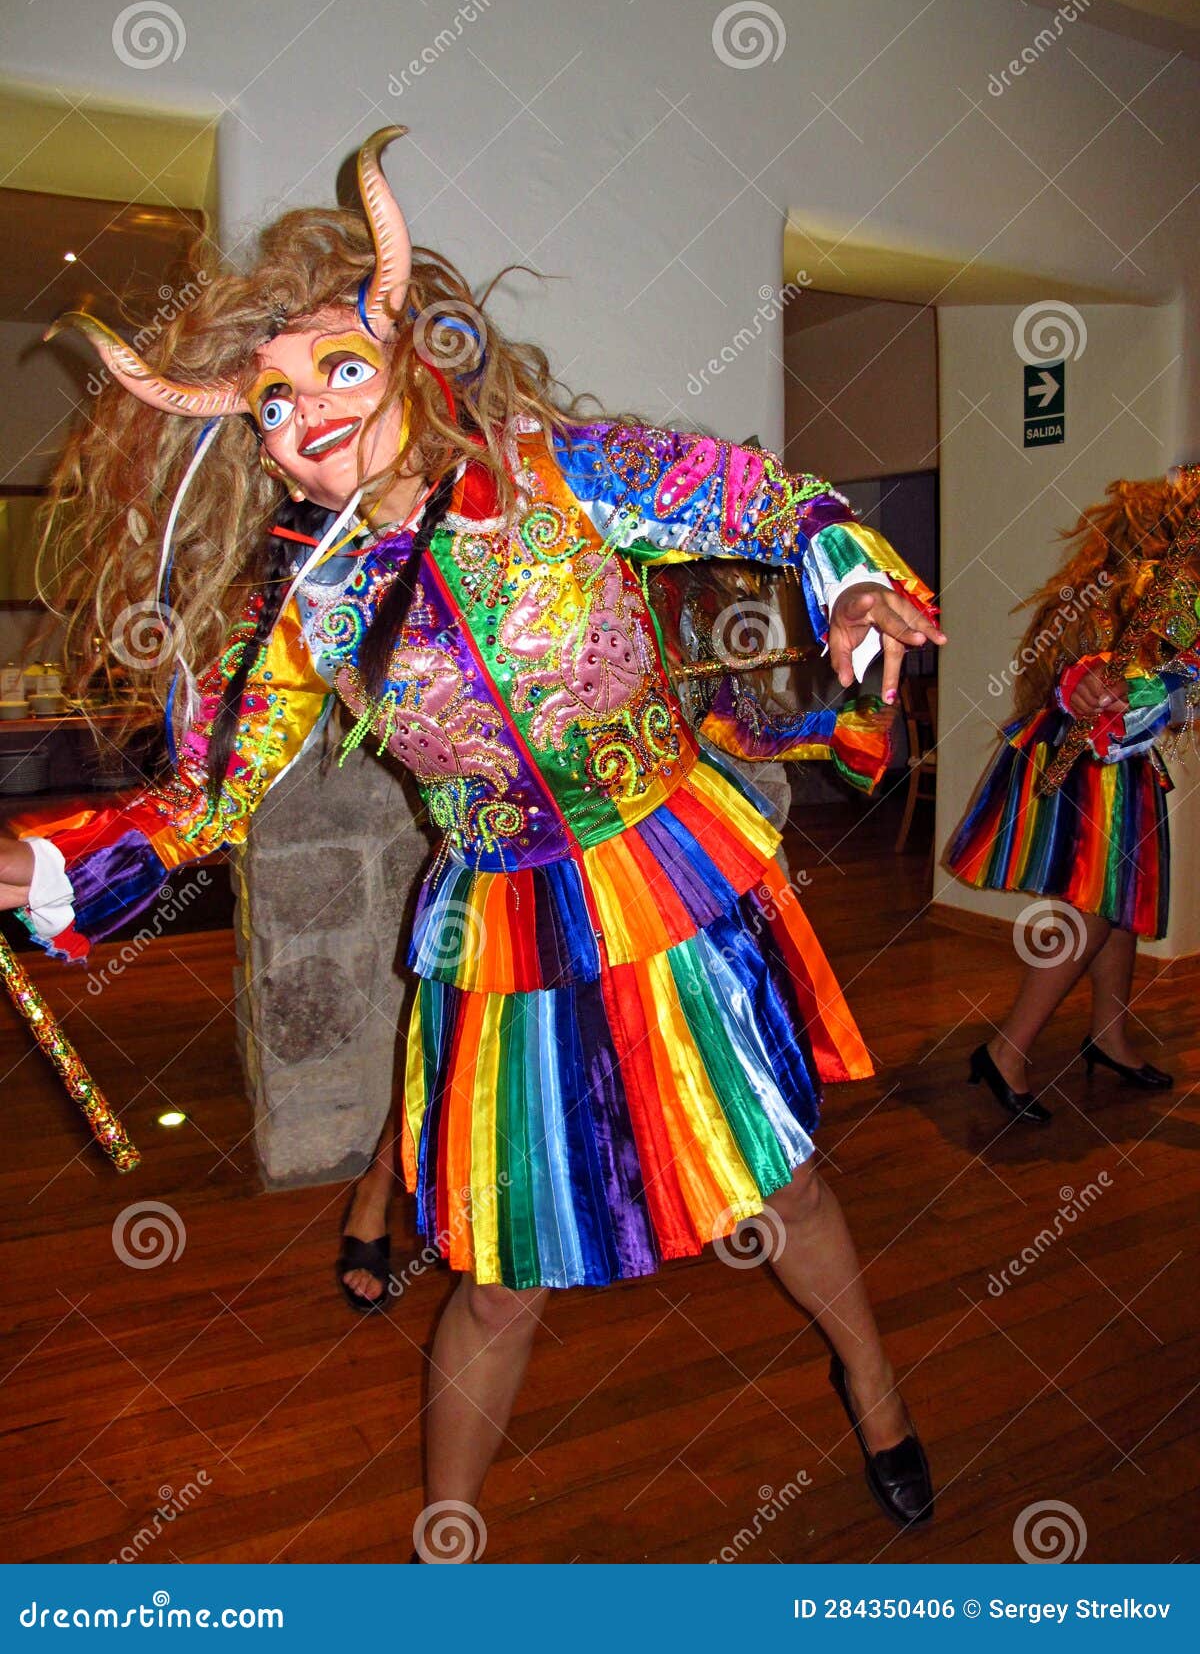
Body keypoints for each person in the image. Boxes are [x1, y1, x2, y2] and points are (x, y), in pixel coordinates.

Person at [0, 127, 946, 1549]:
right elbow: (208, 796)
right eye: (266, 403)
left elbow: (777, 499)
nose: (303, 412)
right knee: (501, 1274)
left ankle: (875, 1385)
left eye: (333, 368)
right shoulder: (309, 605)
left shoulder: (563, 473)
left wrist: (855, 590)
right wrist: (41, 865)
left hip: (672, 884)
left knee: (785, 1180)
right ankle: (449, 1543)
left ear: (409, 360)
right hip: (506, 930)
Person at [945, 472, 1200, 1125]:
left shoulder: (1160, 595)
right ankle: (1005, 1050)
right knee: (1094, 908)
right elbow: (1078, 672)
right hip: (1088, 765)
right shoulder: (1126, 594)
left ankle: (1108, 1036)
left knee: (1117, 907)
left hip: (1115, 766)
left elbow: (1166, 682)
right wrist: (1085, 685)